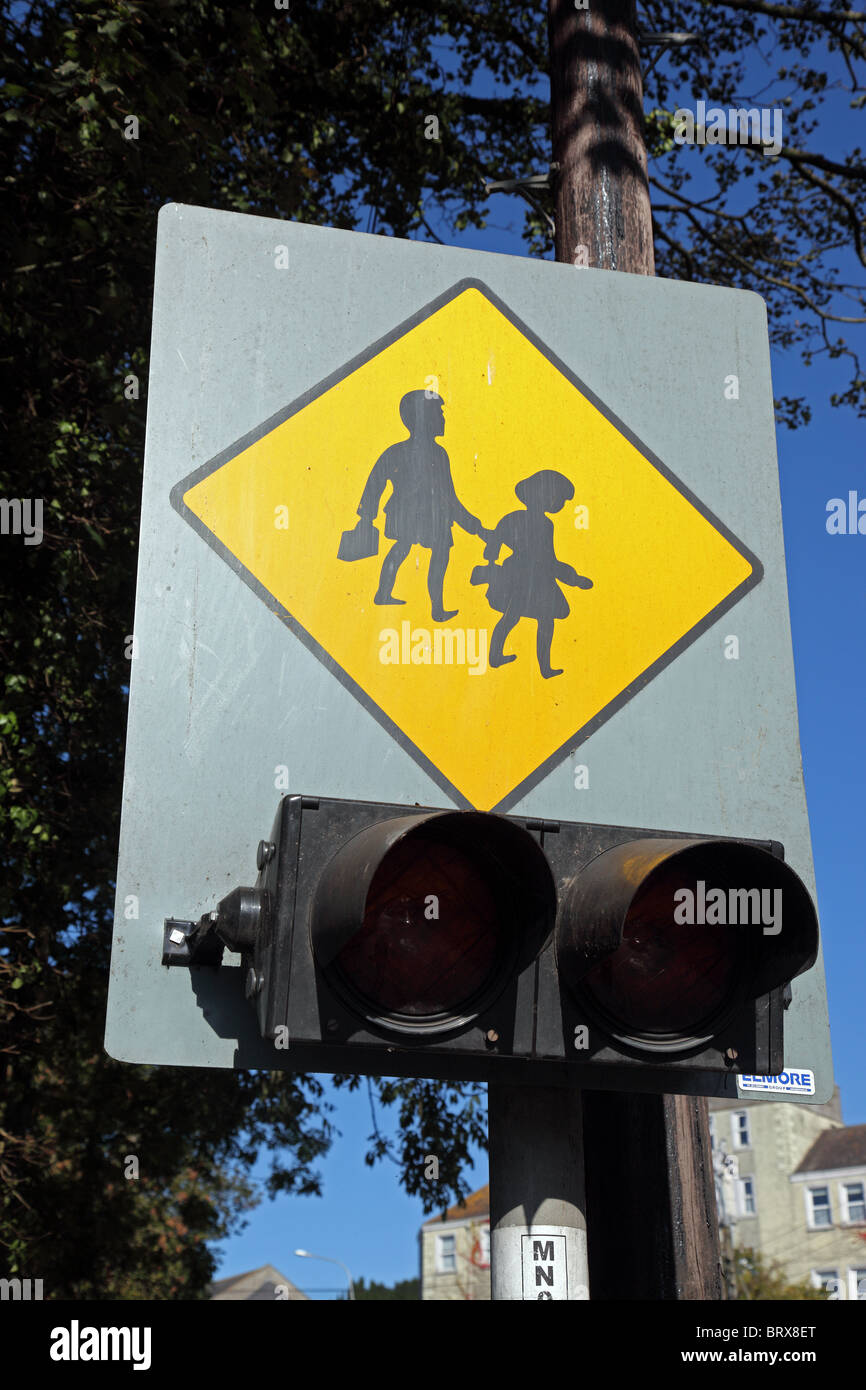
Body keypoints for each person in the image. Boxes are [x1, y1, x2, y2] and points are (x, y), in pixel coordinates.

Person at [352, 390, 485, 622]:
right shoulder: (406, 452)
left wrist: (474, 526)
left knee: (406, 549)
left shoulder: (436, 453)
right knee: (418, 550)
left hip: (422, 514)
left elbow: (448, 495)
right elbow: (376, 481)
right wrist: (366, 516)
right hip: (423, 514)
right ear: (423, 418)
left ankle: (404, 599)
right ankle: (425, 605)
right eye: (439, 412)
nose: (443, 418)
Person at [473, 469, 592, 679]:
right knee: (515, 616)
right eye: (558, 498)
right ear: (544, 496)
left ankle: (543, 668)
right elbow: (496, 542)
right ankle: (497, 657)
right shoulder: (524, 520)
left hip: (538, 577)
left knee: (536, 619)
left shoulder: (542, 523)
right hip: (521, 576)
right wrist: (491, 559)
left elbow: (549, 558)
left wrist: (573, 578)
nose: (560, 504)